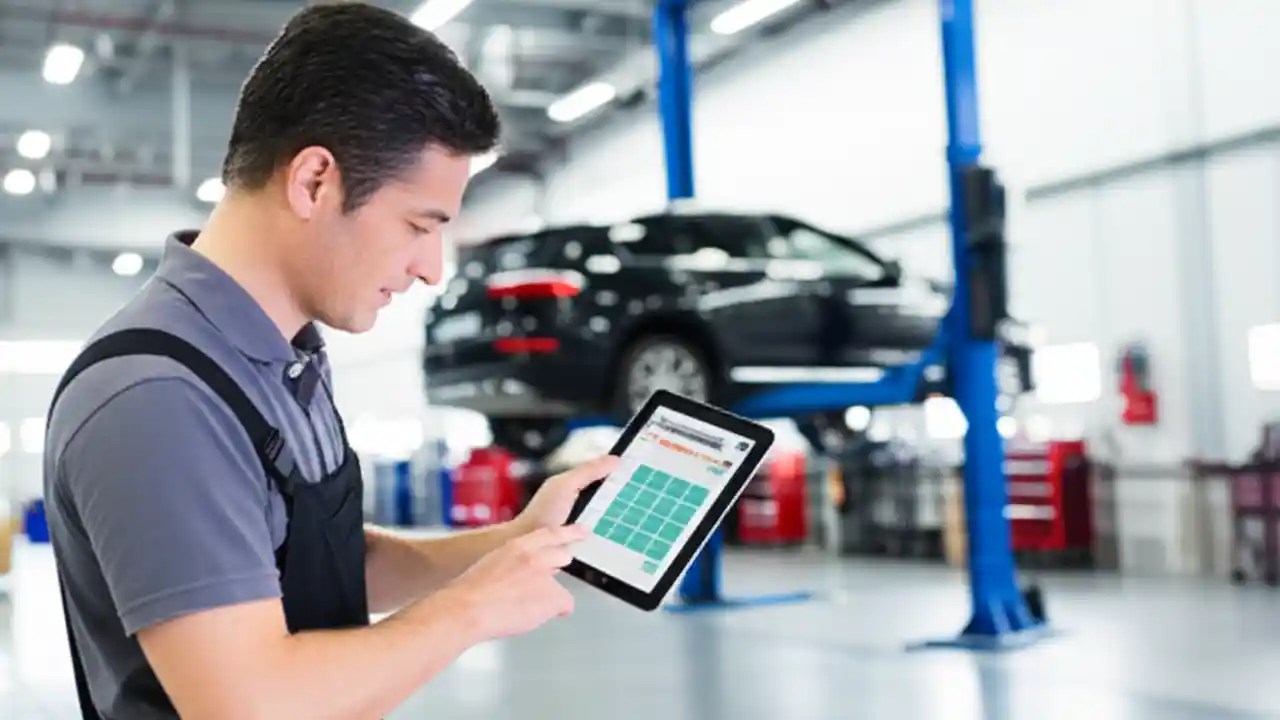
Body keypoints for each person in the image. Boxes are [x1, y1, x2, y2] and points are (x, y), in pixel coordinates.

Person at [43, 3, 619, 717]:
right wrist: (472, 608)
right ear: (314, 181)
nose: (432, 269)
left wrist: (515, 542)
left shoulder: (286, 358)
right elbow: (250, 706)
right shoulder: (159, 398)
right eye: (419, 225)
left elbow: (326, 563)